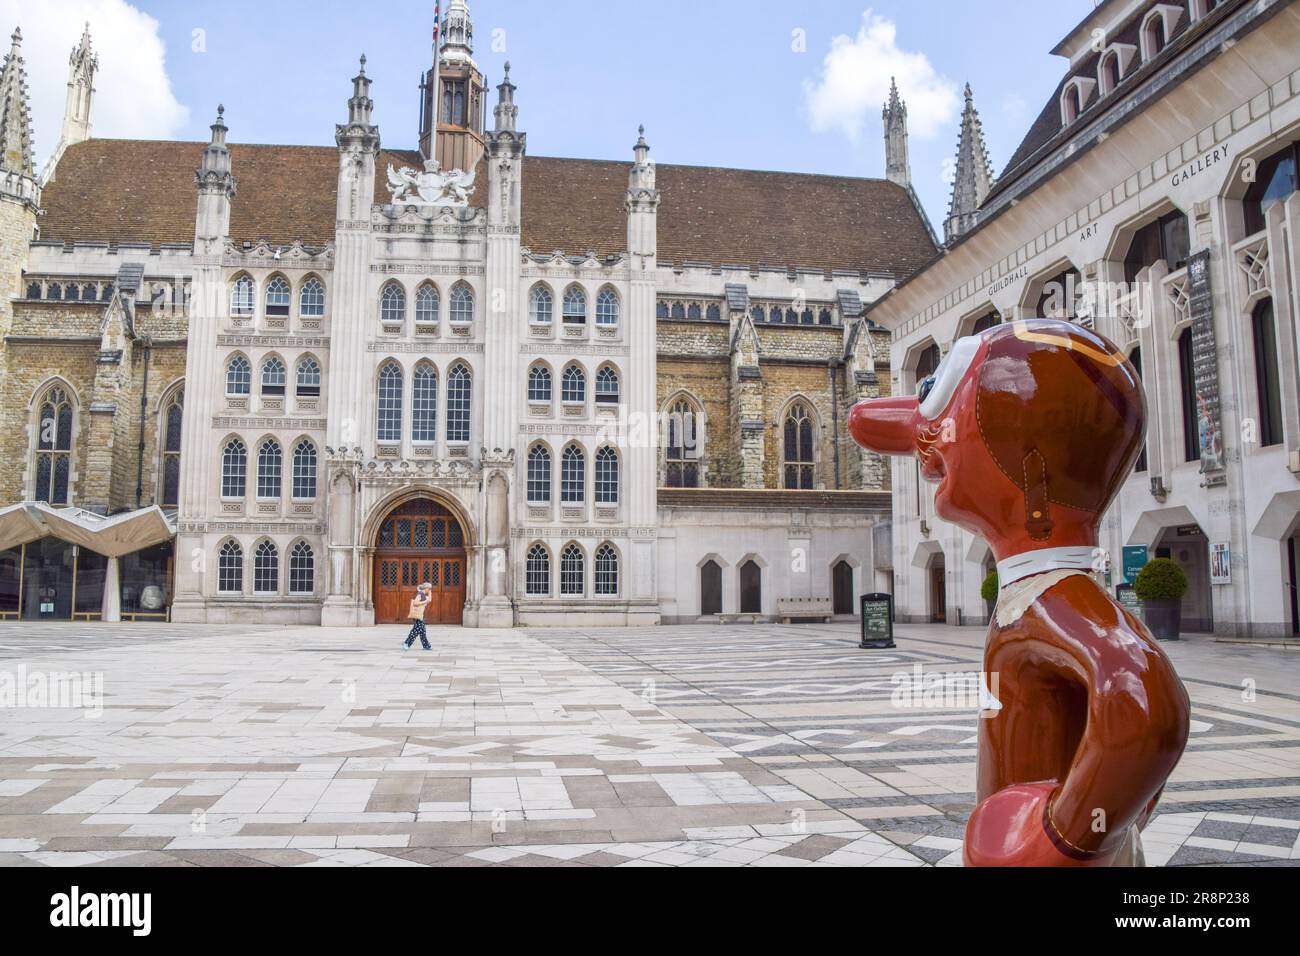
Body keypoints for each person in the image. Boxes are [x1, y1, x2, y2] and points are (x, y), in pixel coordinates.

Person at [404, 583, 433, 651]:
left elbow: (429, 600)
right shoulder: (420, 594)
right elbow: (415, 603)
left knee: (422, 631)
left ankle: (426, 646)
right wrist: (425, 601)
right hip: (418, 615)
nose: (430, 590)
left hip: (420, 615)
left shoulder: (423, 594)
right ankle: (407, 643)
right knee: (416, 631)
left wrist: (430, 593)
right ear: (426, 588)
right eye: (429, 589)